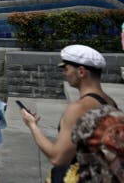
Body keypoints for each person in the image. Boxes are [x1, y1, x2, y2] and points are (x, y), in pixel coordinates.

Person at [19, 44, 118, 182]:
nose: (64, 73)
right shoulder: (110, 102)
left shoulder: (78, 108)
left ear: (81, 72)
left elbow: (58, 158)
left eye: (66, 68)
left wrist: (32, 125)